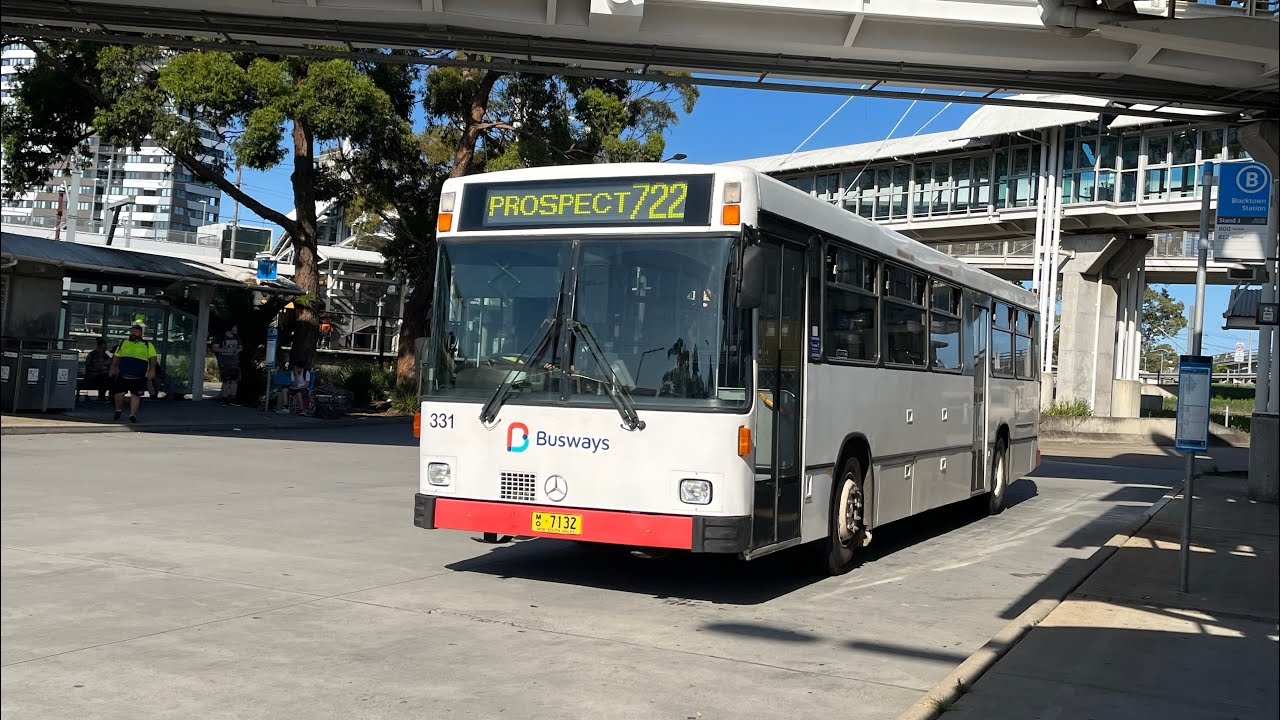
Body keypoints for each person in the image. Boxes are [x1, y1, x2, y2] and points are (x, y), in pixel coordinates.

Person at [110, 324, 158, 424]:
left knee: (135, 395)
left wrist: (152, 370)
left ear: (141, 333)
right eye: (132, 331)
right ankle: (118, 410)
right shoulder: (123, 343)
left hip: (138, 375)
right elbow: (116, 355)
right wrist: (112, 367)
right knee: (118, 394)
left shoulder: (147, 345)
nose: (133, 334)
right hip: (123, 374)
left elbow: (153, 358)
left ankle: (133, 415)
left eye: (136, 332)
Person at [212, 325, 242, 406]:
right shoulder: (221, 337)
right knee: (226, 381)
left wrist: (237, 350)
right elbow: (214, 348)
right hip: (224, 361)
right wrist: (225, 350)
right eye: (234, 327)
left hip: (235, 361)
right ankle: (224, 399)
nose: (236, 329)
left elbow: (240, 347)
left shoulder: (237, 337)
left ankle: (233, 398)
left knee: (234, 381)